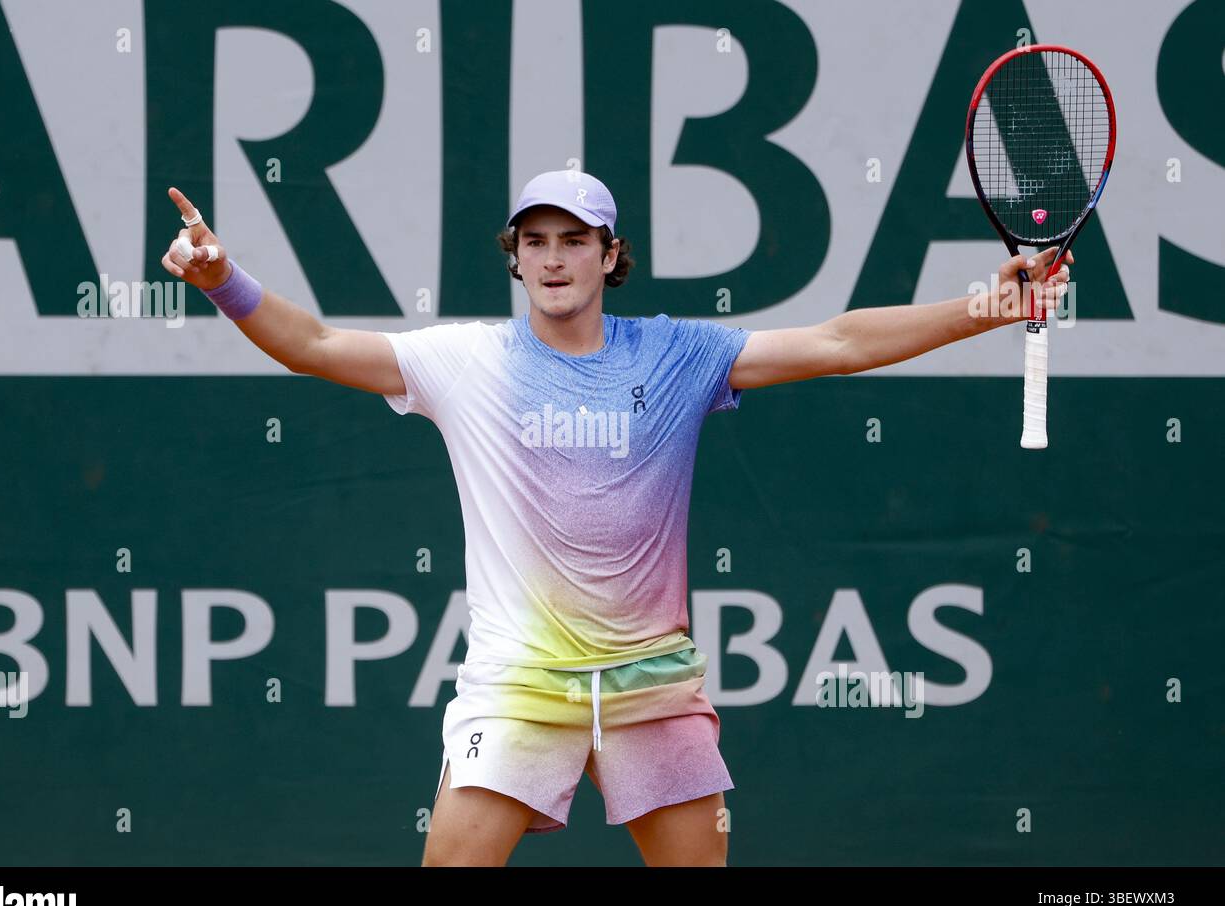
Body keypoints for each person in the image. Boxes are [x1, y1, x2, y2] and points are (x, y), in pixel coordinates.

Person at [160, 170, 1071, 867]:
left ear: (609, 254)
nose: (553, 257)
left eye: (574, 239)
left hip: (651, 687)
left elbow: (837, 341)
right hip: (519, 687)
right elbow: (314, 344)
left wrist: (990, 305)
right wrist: (221, 278)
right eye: (535, 240)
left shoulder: (679, 356)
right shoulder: (463, 362)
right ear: (514, 257)